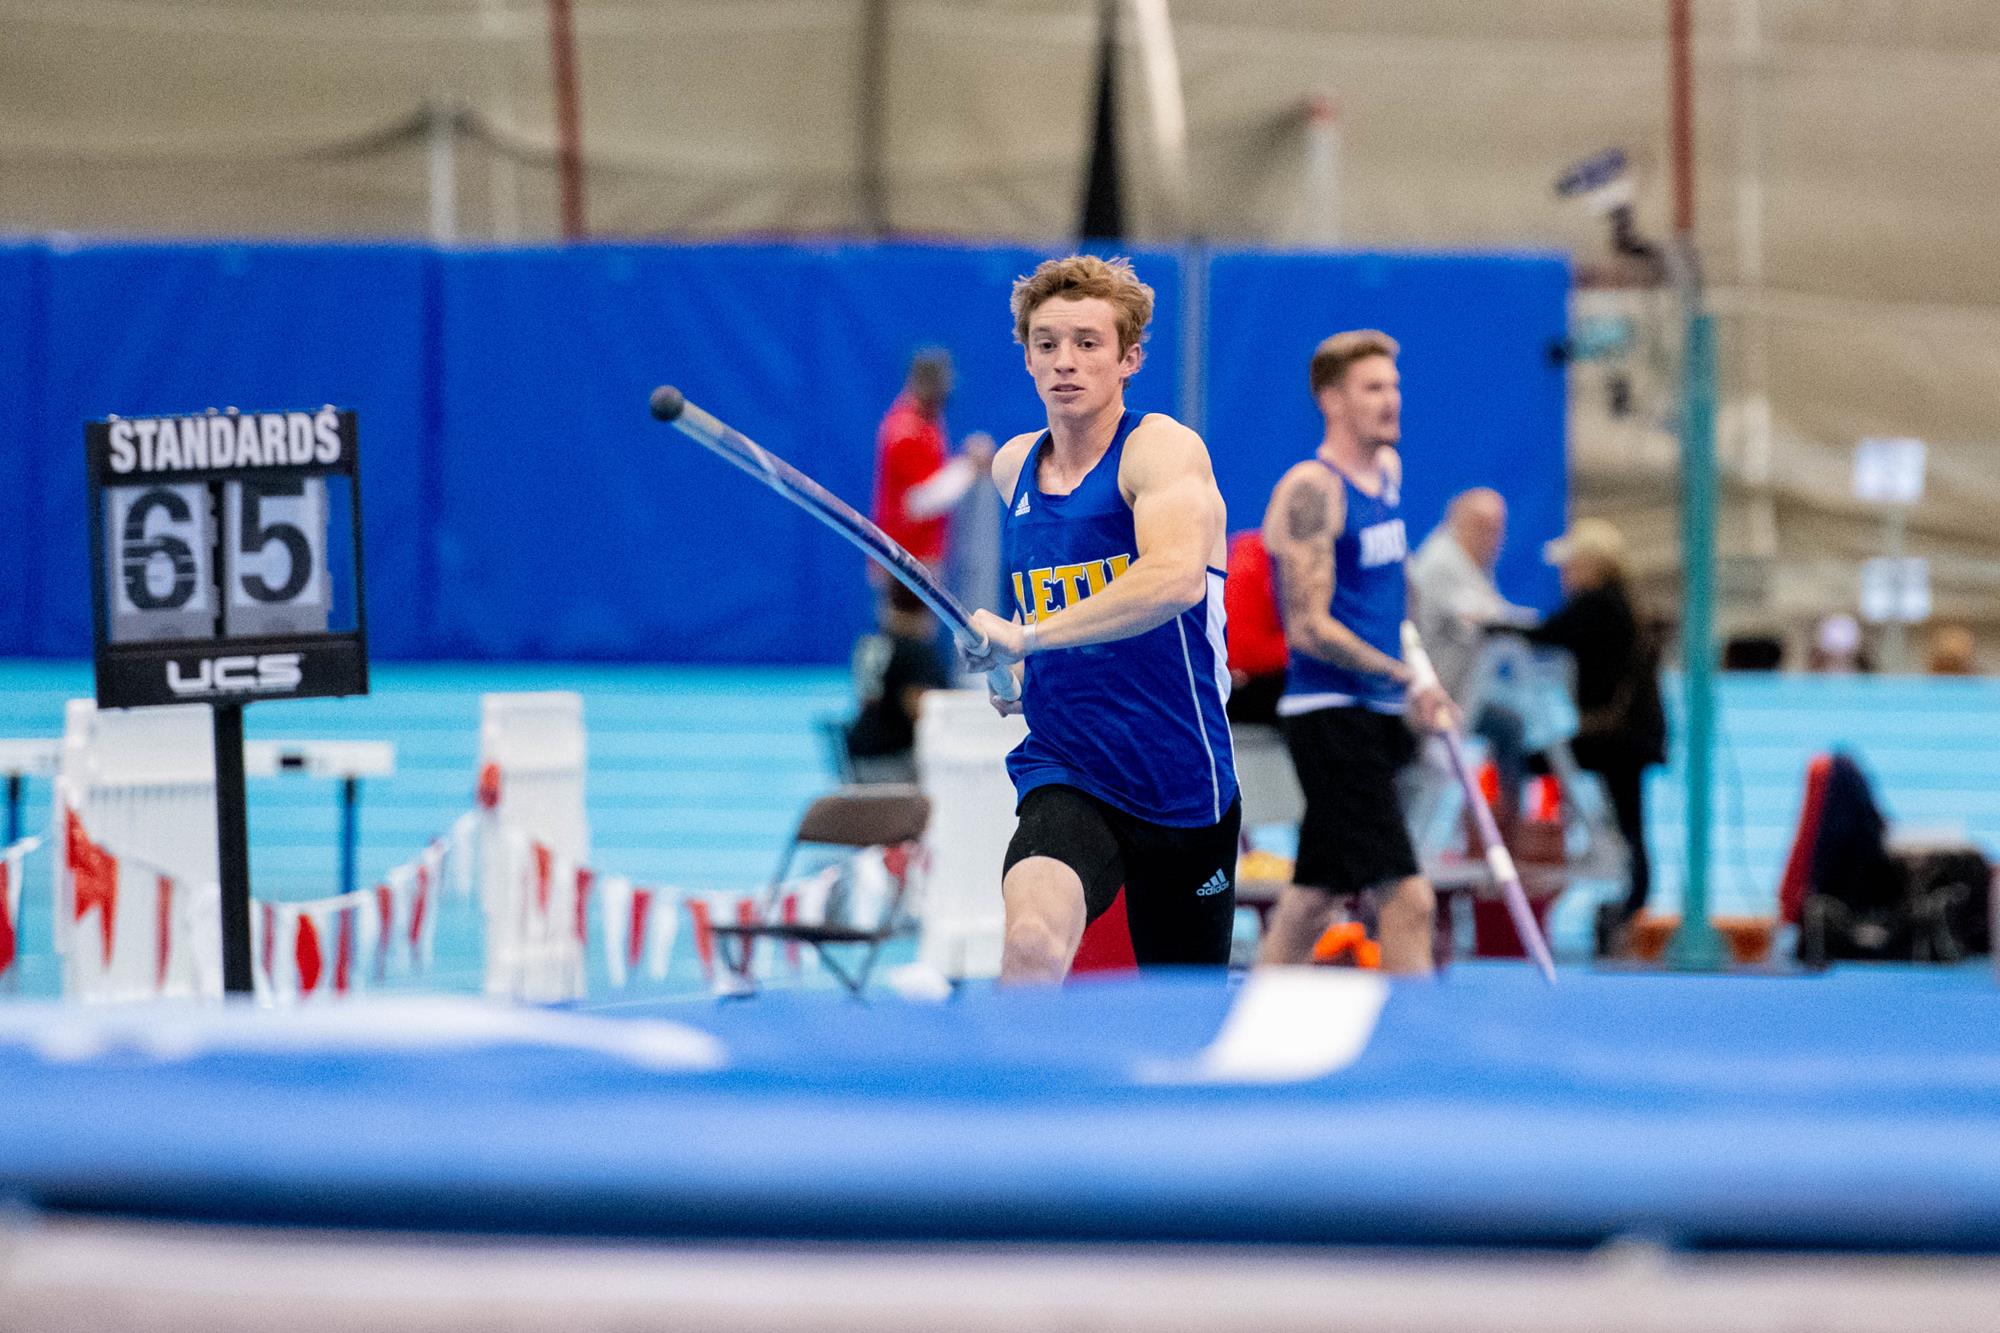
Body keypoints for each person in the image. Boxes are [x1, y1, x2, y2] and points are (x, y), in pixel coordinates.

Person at [961, 255, 1239, 984]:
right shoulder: (1013, 467)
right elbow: (1046, 602)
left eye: (1088, 343)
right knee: (1029, 942)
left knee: (1185, 1013)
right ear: (1025, 358)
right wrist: (1017, 665)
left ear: (1129, 359)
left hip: (1182, 783)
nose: (1066, 362)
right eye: (1047, 344)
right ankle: (1016, 1098)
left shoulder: (1161, 451)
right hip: (1069, 767)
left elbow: (1175, 577)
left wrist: (1031, 637)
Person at [1256, 329, 1454, 975]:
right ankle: (1413, 1055)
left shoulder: (1389, 474)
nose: (1392, 399)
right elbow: (1308, 626)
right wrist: (1403, 677)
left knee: (1313, 895)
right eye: (1374, 387)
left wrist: (1420, 675)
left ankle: (1253, 1014)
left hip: (1377, 707)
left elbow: (1389, 602)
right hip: (1330, 713)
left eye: (1394, 386)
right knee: (1409, 897)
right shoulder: (1313, 489)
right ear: (1333, 400)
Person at [1526, 517, 1666, 947]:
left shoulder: (1599, 603)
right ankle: (1630, 902)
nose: (1565, 575)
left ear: (1593, 565)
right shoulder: (1618, 602)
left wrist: (1490, 625)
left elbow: (1548, 633)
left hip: (1619, 738)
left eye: (1571, 566)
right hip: (1629, 735)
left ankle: (1629, 902)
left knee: (1626, 822)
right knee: (1628, 823)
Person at [1406, 488, 1537, 826]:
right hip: (1429, 700)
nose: (1495, 540)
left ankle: (1504, 826)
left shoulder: (1470, 564)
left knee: (1514, 724)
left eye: (1499, 529)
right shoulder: (1443, 561)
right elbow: (1487, 617)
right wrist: (1542, 628)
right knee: (1510, 727)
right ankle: (1506, 828)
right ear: (1462, 523)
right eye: (1485, 528)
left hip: (1457, 695)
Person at [871, 348, 993, 576]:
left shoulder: (928, 423)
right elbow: (918, 502)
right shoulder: (906, 431)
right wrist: (969, 466)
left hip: (921, 557)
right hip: (903, 562)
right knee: (905, 614)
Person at [842, 582, 951, 784]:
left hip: (859, 758)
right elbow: (919, 712)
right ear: (927, 611)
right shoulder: (915, 651)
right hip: (895, 761)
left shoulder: (870, 644)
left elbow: (866, 701)